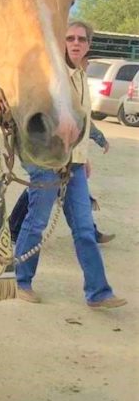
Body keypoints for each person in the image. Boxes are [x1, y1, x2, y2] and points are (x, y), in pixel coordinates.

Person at [14, 20, 127, 309]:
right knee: (36, 223)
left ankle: (98, 292)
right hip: (47, 161)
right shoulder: (49, 75)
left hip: (73, 165)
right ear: (61, 42)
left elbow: (82, 123)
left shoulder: (80, 76)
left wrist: (82, 156)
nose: (76, 43)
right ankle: (20, 281)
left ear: (88, 45)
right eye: (70, 38)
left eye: (81, 39)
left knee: (85, 229)